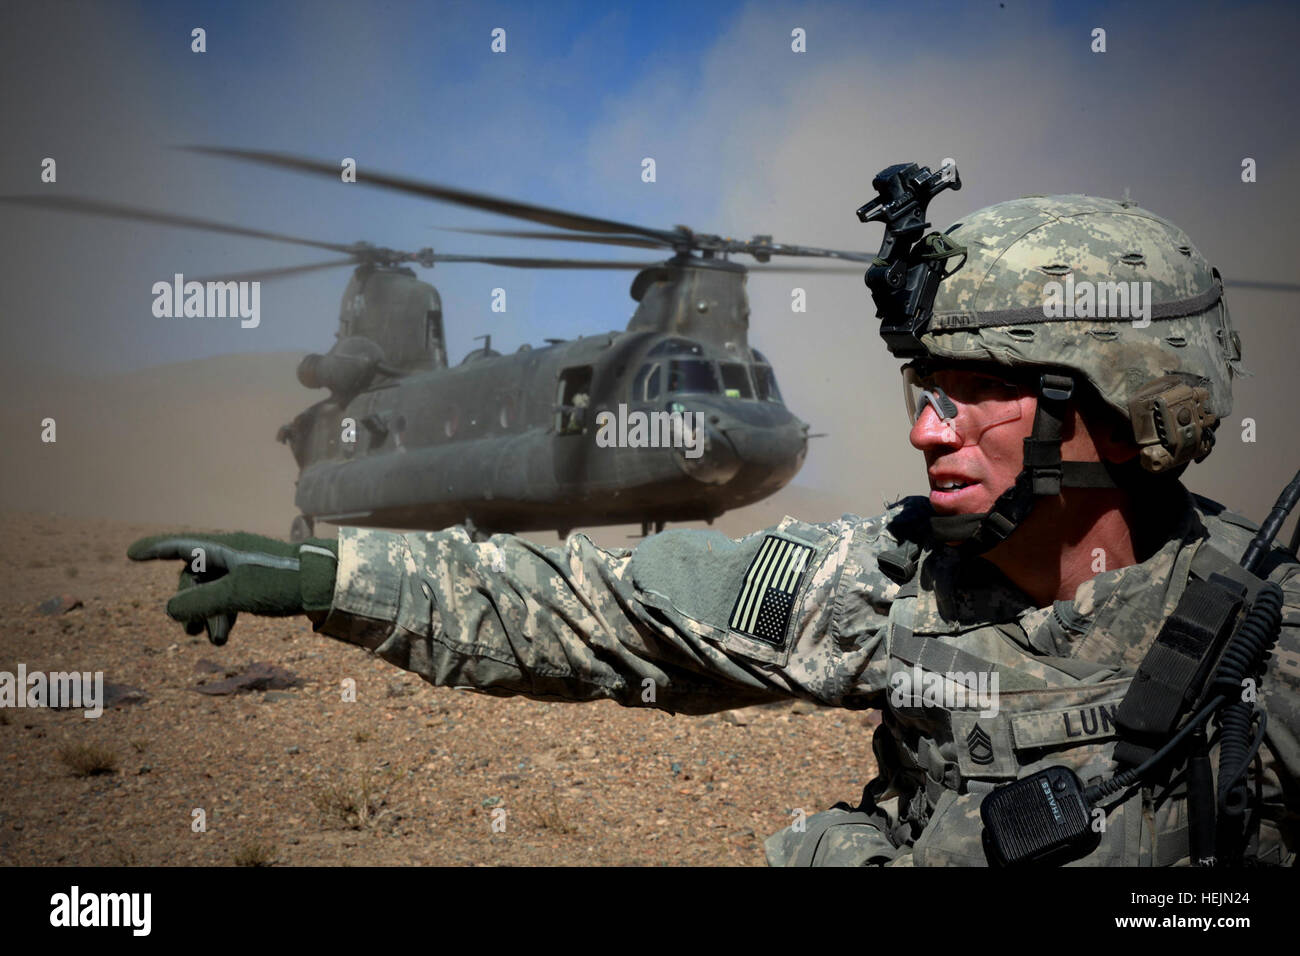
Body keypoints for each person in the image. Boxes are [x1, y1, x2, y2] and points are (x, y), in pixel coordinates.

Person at [128, 194, 1300, 866]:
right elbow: (592, 608)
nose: (926, 431)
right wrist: (327, 571)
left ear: (1120, 407)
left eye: (979, 392)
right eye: (924, 389)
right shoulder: (884, 583)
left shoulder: (1271, 636)